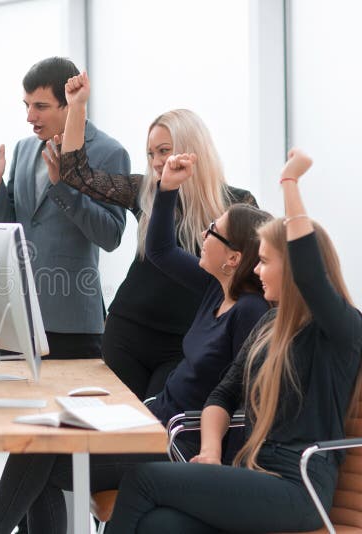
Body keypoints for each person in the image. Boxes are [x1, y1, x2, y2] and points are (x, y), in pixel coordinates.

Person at [0, 151, 272, 534]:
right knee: (41, 444)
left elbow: (239, 395)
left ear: (233, 258)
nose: (202, 235)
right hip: (151, 421)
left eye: (212, 231)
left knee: (43, 453)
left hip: (176, 444)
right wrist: (166, 189)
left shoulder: (249, 312)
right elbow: (161, 251)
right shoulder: (214, 292)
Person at [106, 149, 362, 533]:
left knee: (145, 478)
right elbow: (223, 395)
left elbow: (309, 275)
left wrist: (289, 184)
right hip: (251, 473)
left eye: (265, 261)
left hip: (297, 487)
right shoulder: (268, 325)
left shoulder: (342, 329)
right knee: (160, 524)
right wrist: (209, 452)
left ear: (291, 268)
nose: (256, 271)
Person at [49, 72, 257, 399]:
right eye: (151, 154)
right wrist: (77, 107)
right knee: (119, 429)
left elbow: (257, 269)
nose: (157, 162)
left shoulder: (237, 205)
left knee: (157, 430)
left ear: (192, 148)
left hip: (183, 340)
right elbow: (77, 174)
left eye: (164, 150)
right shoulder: (145, 191)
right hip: (126, 330)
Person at [0, 57, 127, 360]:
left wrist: (65, 187)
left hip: (73, 324)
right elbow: (11, 228)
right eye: (26, 105)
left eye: (40, 106)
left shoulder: (109, 153)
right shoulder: (24, 149)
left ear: (68, 104)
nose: (30, 116)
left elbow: (110, 236)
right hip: (15, 319)